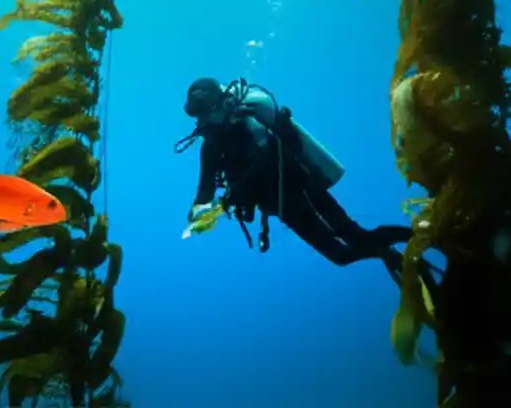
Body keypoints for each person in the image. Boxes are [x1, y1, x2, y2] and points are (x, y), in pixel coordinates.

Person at [175, 77, 440, 294]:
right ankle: (388, 253)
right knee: (341, 255)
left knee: (356, 237)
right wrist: (196, 212)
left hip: (304, 187)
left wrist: (235, 194)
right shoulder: (210, 146)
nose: (202, 120)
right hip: (282, 206)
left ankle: (429, 238)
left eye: (205, 110)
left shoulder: (252, 122)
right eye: (197, 114)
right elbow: (205, 188)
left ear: (219, 102)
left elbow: (276, 155)